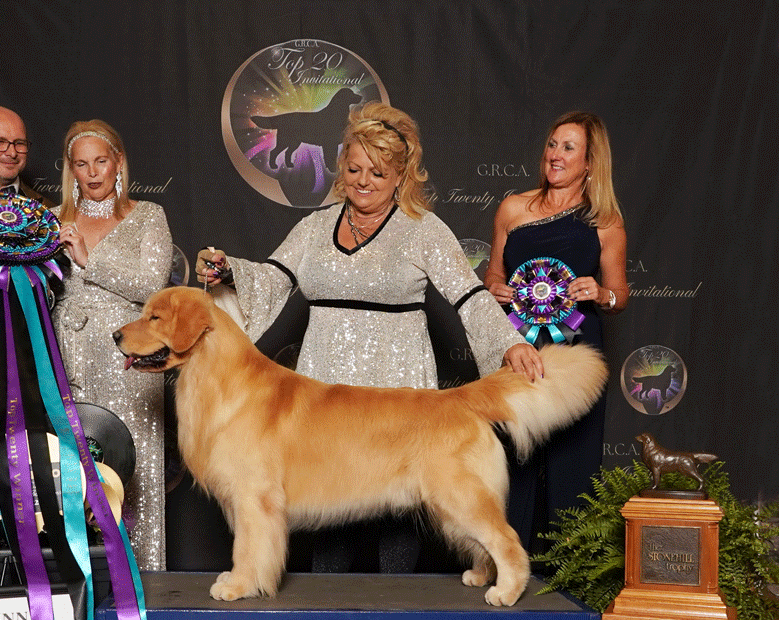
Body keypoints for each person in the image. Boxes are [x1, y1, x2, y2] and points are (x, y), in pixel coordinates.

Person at [198, 102, 541, 573]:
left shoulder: (424, 230)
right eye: (354, 168)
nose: (363, 181)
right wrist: (228, 270)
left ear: (402, 175)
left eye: (377, 173)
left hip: (398, 396)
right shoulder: (315, 227)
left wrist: (510, 343)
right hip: (325, 397)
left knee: (400, 526)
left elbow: (470, 297)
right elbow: (271, 279)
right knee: (329, 524)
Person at [484, 111, 628, 552]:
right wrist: (497, 290)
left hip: (577, 353)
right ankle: (504, 560)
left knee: (573, 461)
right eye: (552, 144)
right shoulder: (512, 208)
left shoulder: (605, 222)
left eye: (568, 147)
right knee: (513, 459)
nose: (555, 155)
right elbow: (491, 277)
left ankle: (571, 573)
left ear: (589, 162)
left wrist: (600, 292)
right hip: (518, 349)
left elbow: (620, 294)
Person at [53, 120, 174, 570]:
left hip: (130, 362)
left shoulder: (148, 216)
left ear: (118, 161)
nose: (93, 173)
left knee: (133, 465)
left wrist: (89, 259)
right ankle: (82, 582)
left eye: (101, 161)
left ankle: (144, 583)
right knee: (79, 467)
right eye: (81, 164)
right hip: (72, 356)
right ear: (71, 170)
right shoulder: (55, 220)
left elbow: (151, 287)